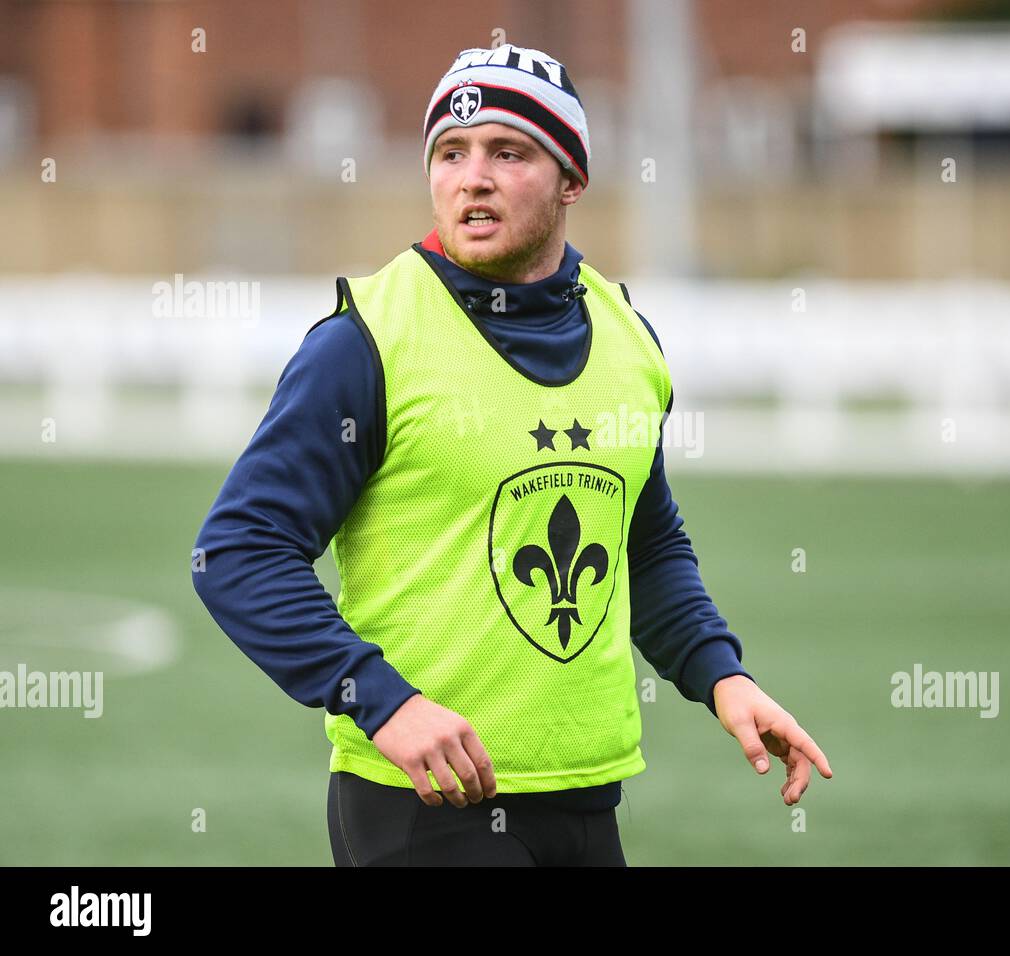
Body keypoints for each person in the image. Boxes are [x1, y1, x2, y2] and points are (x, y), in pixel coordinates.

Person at [192, 42, 831, 867]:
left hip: (586, 796)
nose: (472, 177)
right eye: (450, 153)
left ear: (572, 178)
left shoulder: (627, 336)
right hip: (421, 807)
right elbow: (237, 552)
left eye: (509, 152)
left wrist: (721, 676)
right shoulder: (365, 343)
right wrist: (382, 701)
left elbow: (643, 541)